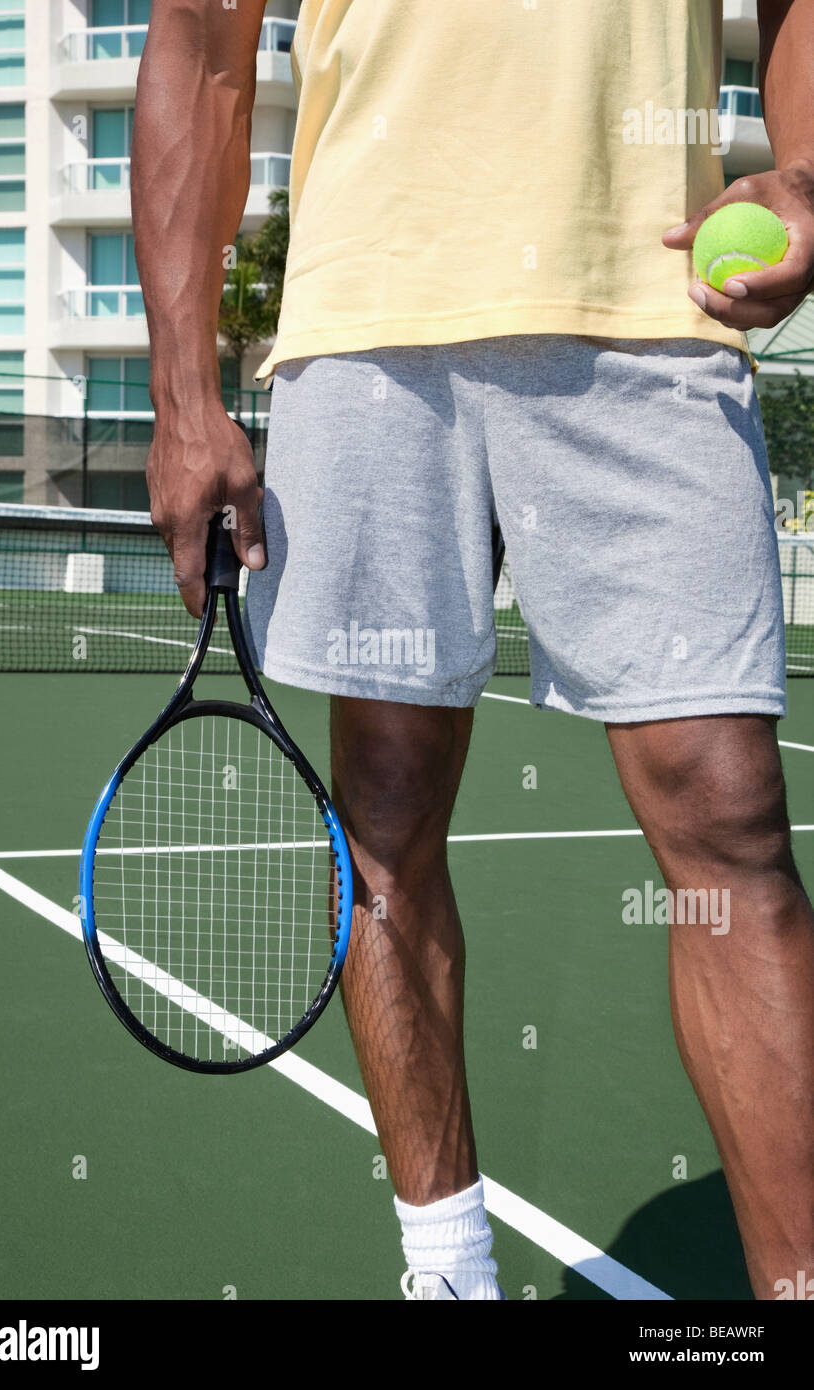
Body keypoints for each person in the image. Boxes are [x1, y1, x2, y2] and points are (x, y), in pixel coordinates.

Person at [133, 0, 814, 1300]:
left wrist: (805, 172)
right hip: (370, 312)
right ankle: (445, 1269)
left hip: (653, 302)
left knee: (727, 810)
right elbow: (204, 44)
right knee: (384, 816)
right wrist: (183, 394)